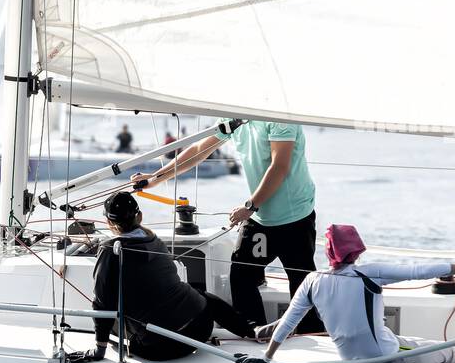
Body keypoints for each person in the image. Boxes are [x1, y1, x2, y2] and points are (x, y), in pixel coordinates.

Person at [241, 224, 455, 363]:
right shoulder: (369, 273)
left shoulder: (312, 280)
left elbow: (288, 323)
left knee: (404, 341)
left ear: (329, 251)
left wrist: (267, 357)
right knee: (446, 350)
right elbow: (417, 270)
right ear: (358, 251)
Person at [134, 117, 322, 334]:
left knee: (300, 280)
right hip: (260, 216)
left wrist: (250, 205)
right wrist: (156, 178)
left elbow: (279, 166)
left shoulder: (279, 117)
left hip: (295, 215)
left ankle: (310, 332)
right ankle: (254, 331)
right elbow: (199, 149)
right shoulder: (233, 117)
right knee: (241, 275)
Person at [69, 191, 256, 363]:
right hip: (201, 328)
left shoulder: (110, 250)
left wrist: (99, 351)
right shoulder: (154, 240)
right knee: (198, 294)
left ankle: (108, 346)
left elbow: (102, 303)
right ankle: (250, 330)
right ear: (139, 216)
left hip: (163, 347)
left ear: (109, 223)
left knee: (113, 324)